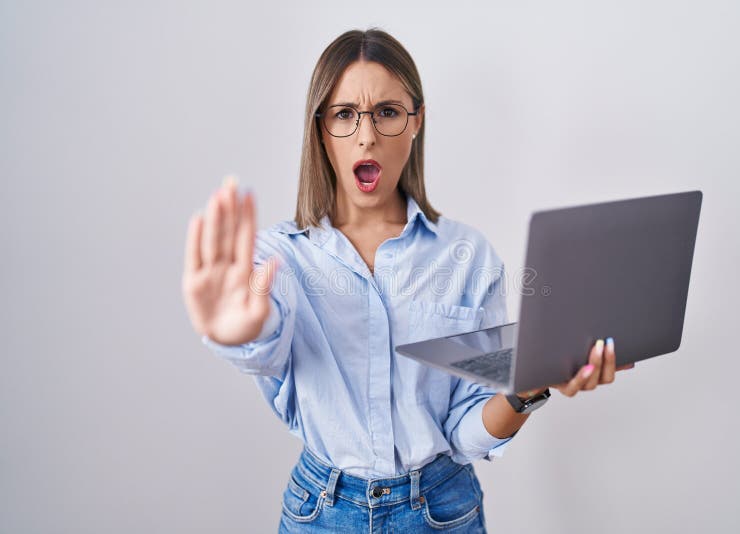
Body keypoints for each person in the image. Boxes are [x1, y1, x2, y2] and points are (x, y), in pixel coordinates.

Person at [182, 28, 633, 533]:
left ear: (416, 121)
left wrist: (527, 388)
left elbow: (465, 433)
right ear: (320, 130)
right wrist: (237, 332)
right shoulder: (279, 257)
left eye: (388, 113)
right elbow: (264, 345)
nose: (367, 135)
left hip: (442, 512)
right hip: (321, 514)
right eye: (345, 114)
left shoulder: (467, 257)